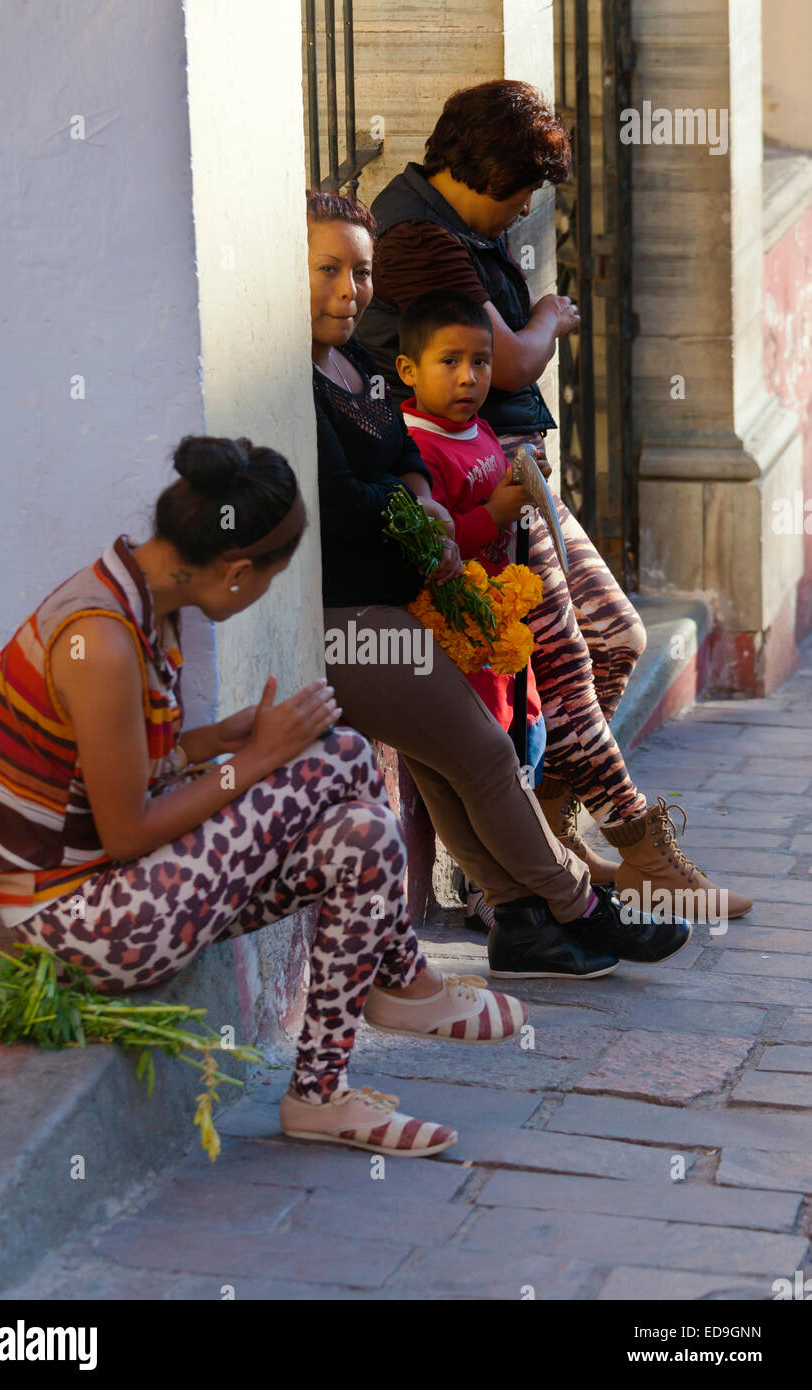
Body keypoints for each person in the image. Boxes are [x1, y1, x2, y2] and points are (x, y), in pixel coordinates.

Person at [0, 435, 534, 1159]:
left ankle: (321, 1093)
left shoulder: (139, 599)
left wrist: (223, 739)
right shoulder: (101, 640)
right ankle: (403, 979)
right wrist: (258, 759)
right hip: (74, 923)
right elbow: (128, 832)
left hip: (123, 890)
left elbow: (131, 766)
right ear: (236, 572)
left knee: (362, 834)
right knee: (347, 753)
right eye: (272, 576)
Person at [356, 79, 752, 924]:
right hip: (474, 489)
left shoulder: (454, 226)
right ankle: (636, 847)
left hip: (508, 475)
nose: (530, 204)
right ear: (494, 170)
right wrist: (547, 316)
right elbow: (503, 362)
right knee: (571, 669)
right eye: (528, 186)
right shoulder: (418, 234)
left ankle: (542, 825)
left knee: (617, 637)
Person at [308, 188, 692, 978]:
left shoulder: (354, 365)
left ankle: (519, 923)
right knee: (483, 755)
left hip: (404, 604)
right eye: (328, 270)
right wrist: (423, 510)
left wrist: (418, 495)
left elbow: (402, 461)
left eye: (363, 271)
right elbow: (342, 499)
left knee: (447, 766)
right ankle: (581, 902)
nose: (352, 291)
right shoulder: (294, 381)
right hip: (349, 616)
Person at [396, 286, 546, 929]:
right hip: (453, 633)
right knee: (479, 759)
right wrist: (496, 513)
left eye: (481, 362)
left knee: (523, 734)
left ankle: (525, 863)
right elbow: (434, 542)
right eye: (449, 361)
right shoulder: (417, 449)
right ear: (408, 370)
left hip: (497, 624)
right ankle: (488, 884)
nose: (468, 377)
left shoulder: (476, 428)